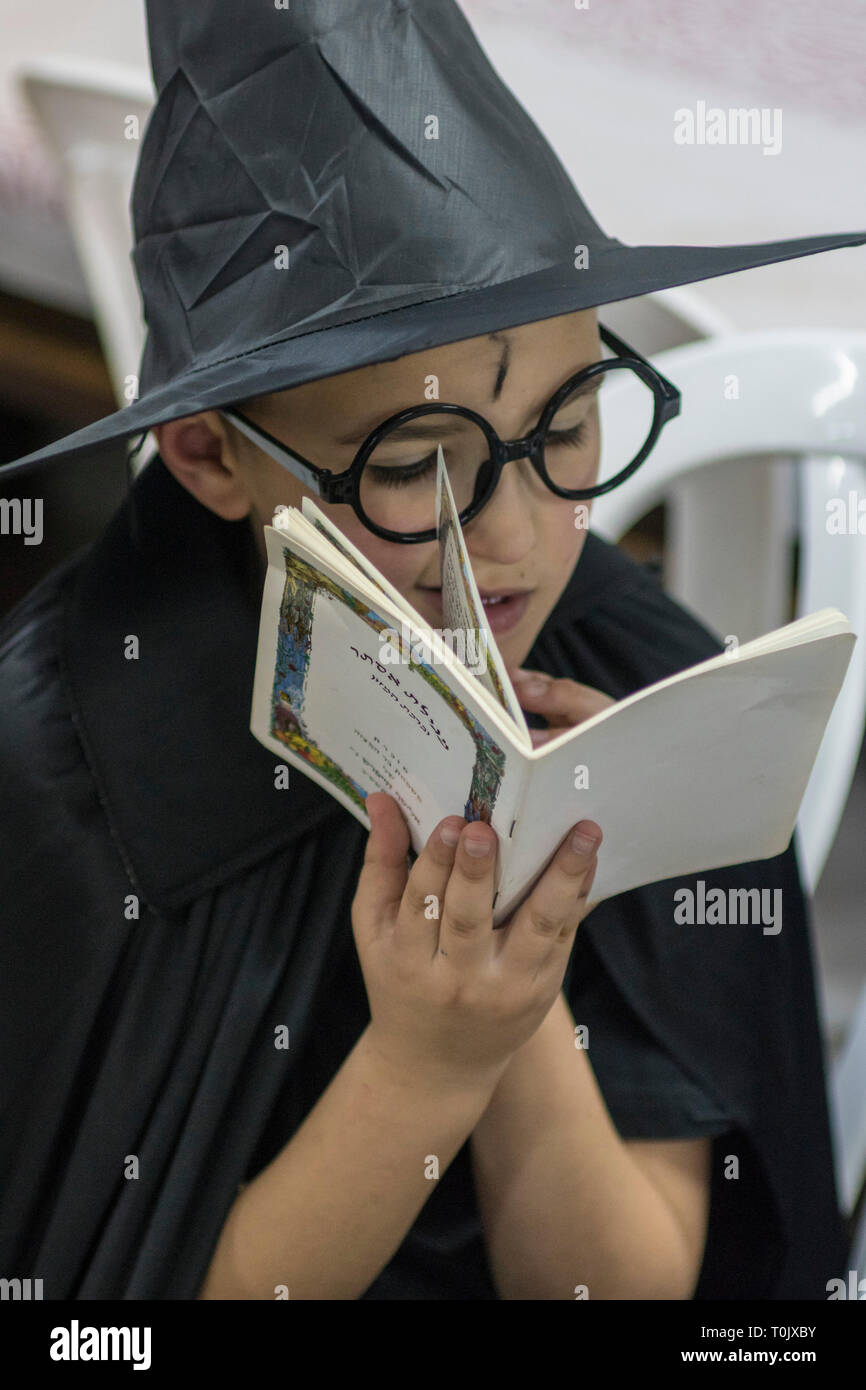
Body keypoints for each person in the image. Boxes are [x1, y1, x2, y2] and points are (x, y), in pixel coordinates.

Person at [0, 0, 859, 1300]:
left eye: (567, 420)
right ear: (207, 452)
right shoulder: (79, 763)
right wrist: (421, 1065)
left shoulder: (636, 696)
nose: (511, 539)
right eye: (412, 467)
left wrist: (508, 999)